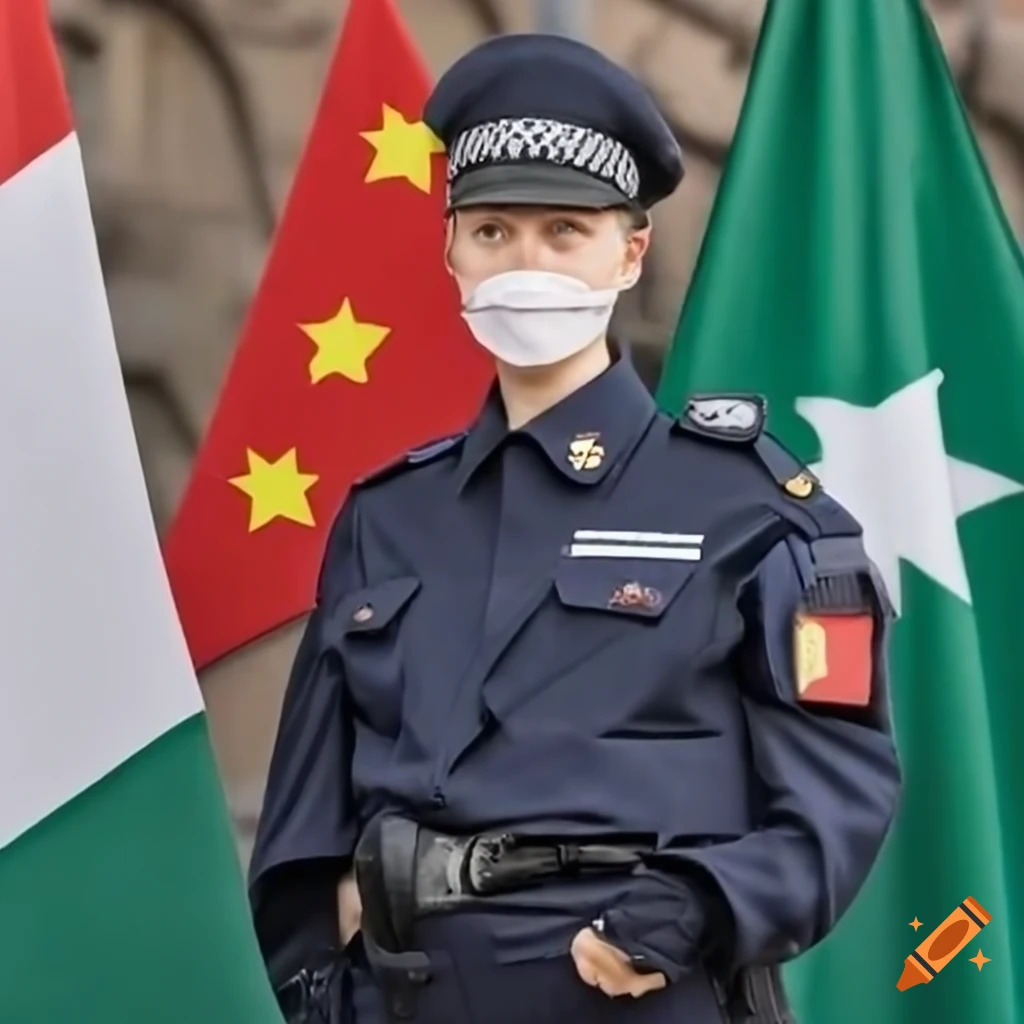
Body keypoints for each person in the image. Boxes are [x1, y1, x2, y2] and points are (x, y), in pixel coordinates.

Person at [247, 32, 902, 1024]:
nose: (526, 263)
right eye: (495, 232)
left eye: (563, 231)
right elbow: (304, 816)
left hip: (632, 992)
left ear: (628, 250)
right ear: (451, 247)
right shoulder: (386, 515)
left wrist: (689, 913)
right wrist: (317, 988)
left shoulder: (757, 515)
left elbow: (838, 795)